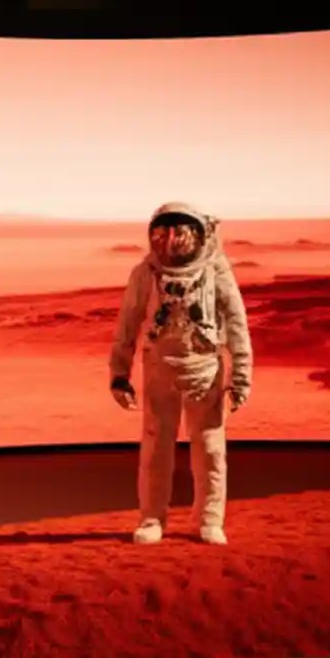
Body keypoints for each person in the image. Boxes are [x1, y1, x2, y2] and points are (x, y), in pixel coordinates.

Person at [109, 201, 253, 545]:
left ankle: (209, 519)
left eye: (179, 234)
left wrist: (241, 376)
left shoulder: (215, 271)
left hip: (205, 368)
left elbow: (235, 322)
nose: (171, 241)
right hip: (160, 368)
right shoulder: (146, 273)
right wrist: (119, 373)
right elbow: (127, 323)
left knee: (210, 448)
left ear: (198, 236)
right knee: (157, 448)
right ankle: (151, 519)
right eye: (164, 234)